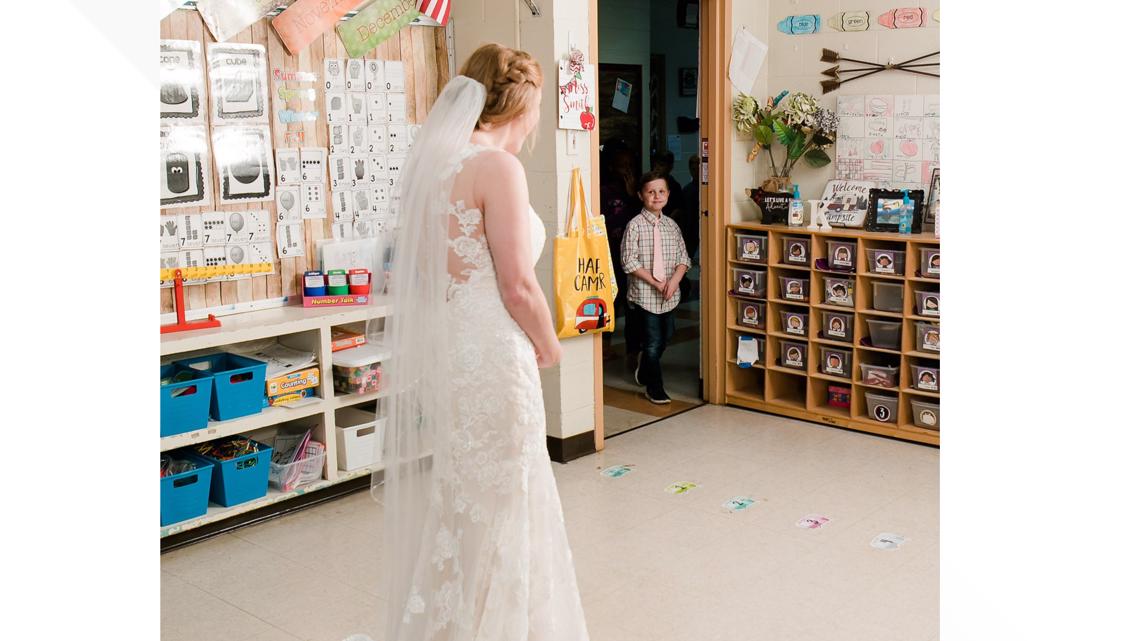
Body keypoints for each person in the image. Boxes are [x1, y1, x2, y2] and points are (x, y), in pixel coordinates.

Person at [371, 43, 589, 641]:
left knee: (466, 494)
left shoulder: (434, 166)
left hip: (451, 350)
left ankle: (462, 620)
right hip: (494, 350)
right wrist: (549, 344)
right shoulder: (497, 168)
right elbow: (517, 285)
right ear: (523, 105)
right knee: (510, 492)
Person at [622, 170, 692, 404]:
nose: (656, 196)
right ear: (640, 195)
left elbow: (684, 258)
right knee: (652, 342)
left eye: (661, 191)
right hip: (646, 294)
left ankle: (644, 367)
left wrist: (674, 281)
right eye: (650, 192)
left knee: (666, 337)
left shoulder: (672, 226)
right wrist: (655, 282)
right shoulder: (635, 225)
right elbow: (628, 261)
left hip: (670, 293)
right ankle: (654, 387)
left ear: (668, 194)